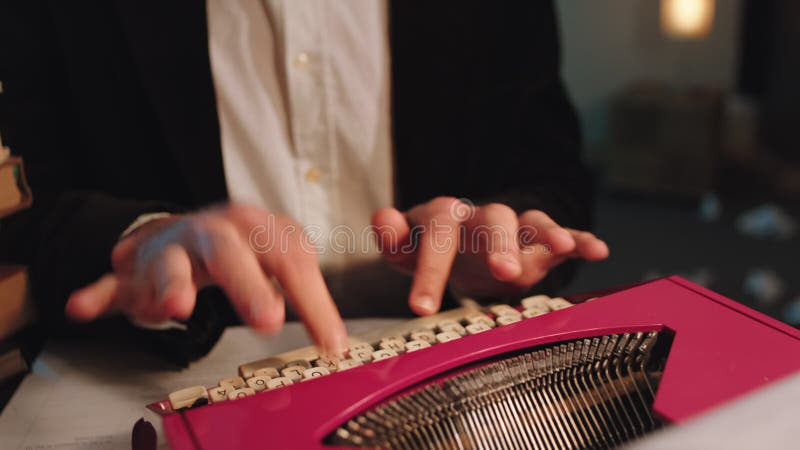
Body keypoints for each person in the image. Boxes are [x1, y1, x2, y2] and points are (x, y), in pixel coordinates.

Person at [0, 1, 608, 362]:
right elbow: (28, 202)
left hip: (449, 362)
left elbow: (552, 174)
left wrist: (505, 238)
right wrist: (143, 235)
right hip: (173, 365)